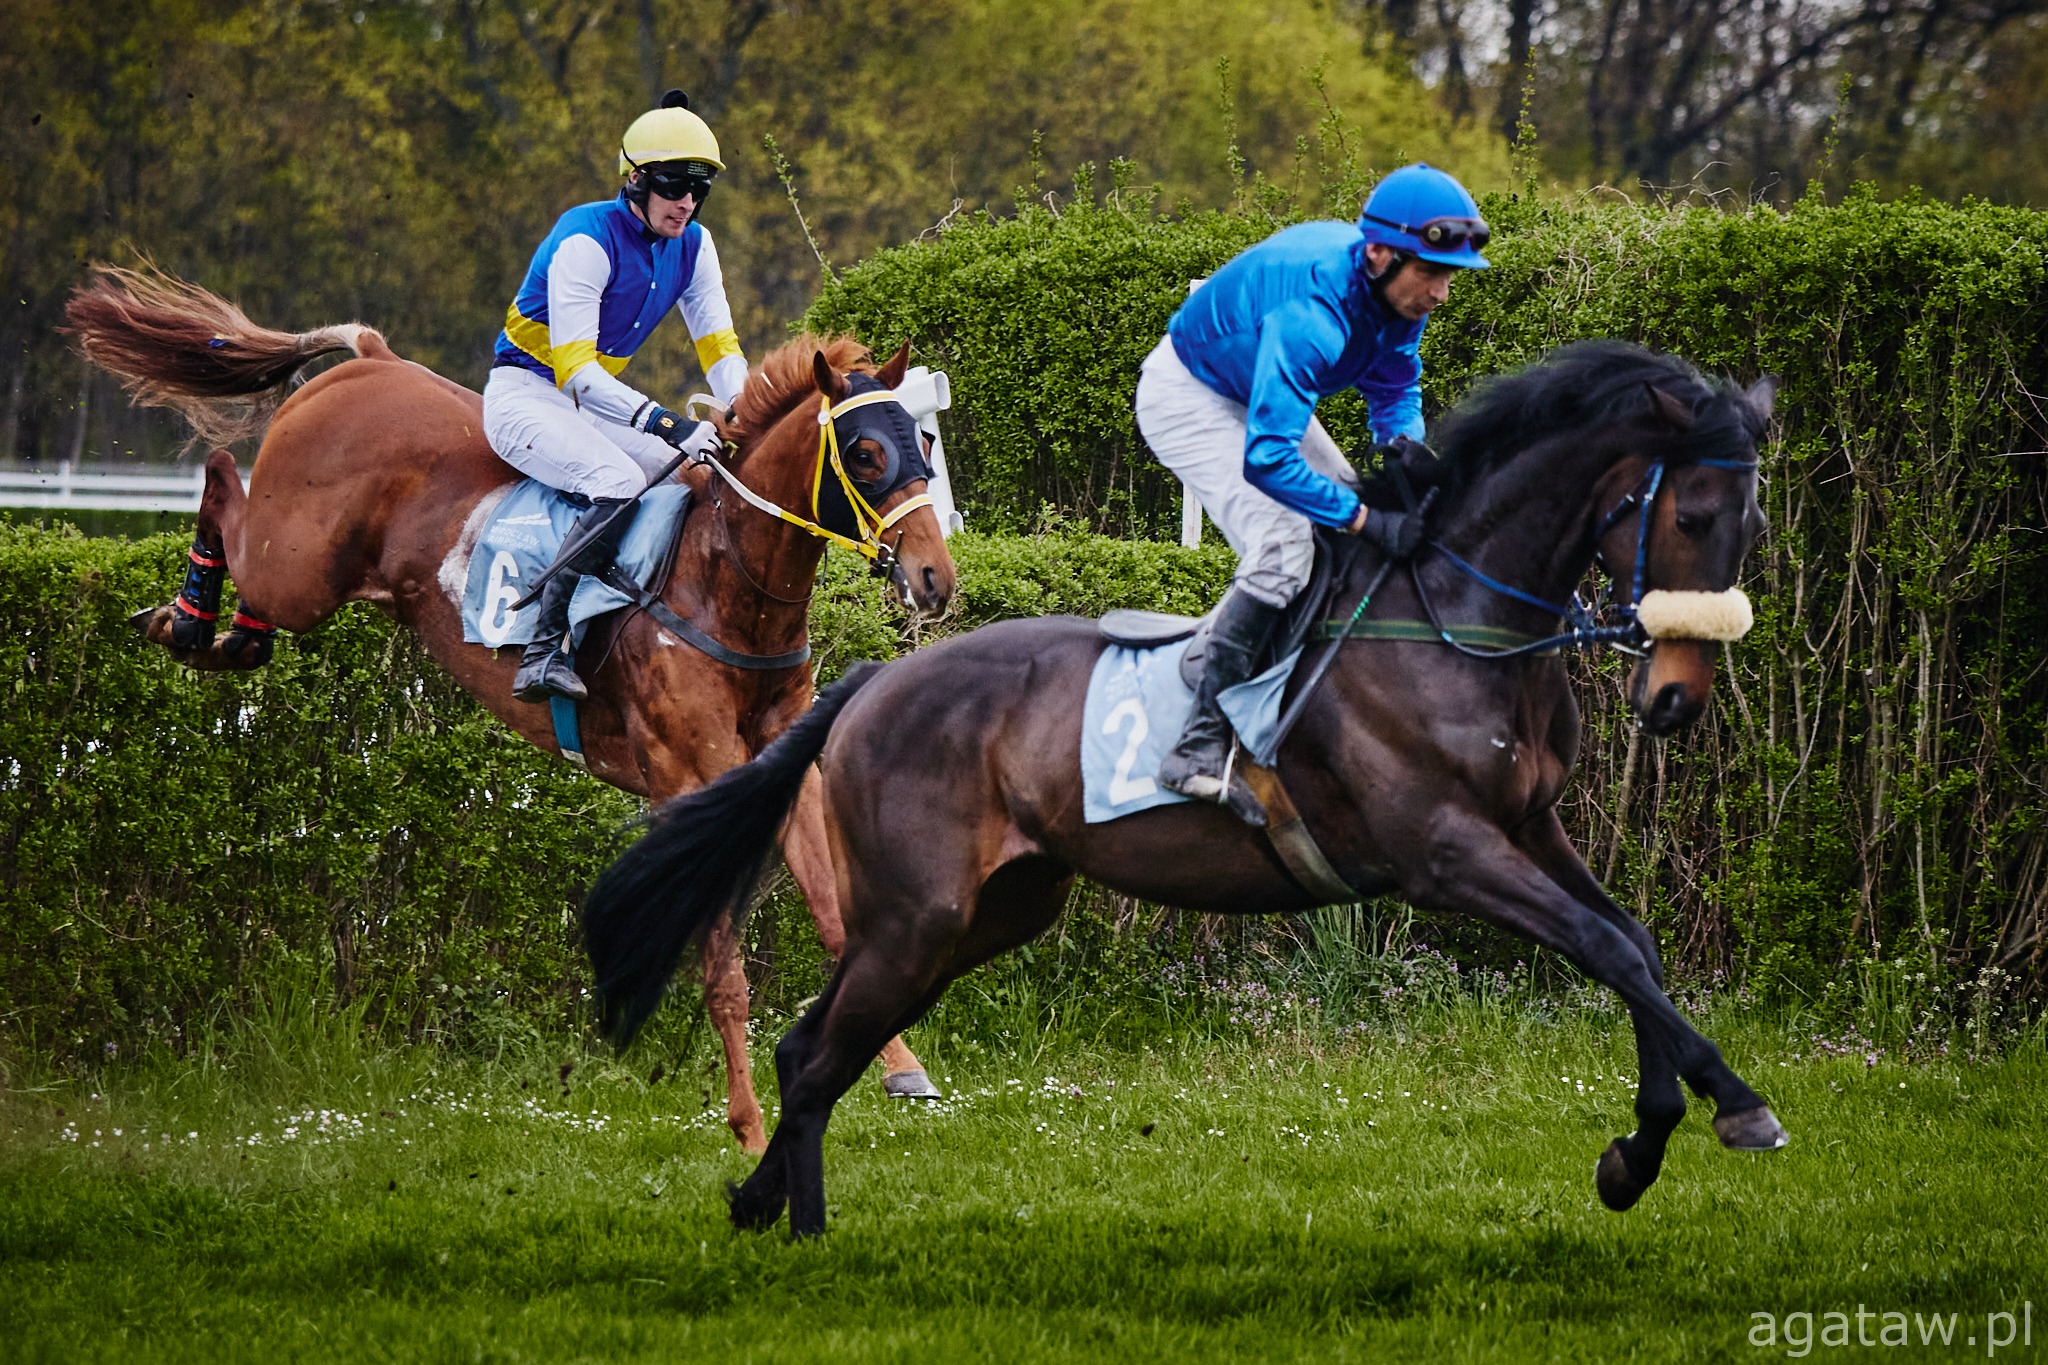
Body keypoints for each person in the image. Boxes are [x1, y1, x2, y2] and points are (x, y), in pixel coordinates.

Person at [1136, 162, 1490, 814]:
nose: (1441, 292)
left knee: (1353, 498)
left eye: (1449, 276)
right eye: (1432, 273)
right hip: (1187, 394)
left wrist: (1404, 450)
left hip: (1256, 386)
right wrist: (1365, 519)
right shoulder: (1314, 316)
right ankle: (1197, 744)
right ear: (1381, 255)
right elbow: (1268, 460)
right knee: (1287, 542)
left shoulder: (1393, 296)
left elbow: (1395, 384)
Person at [483, 89, 750, 703]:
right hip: (525, 395)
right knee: (619, 482)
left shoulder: (695, 245)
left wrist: (749, 415)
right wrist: (664, 422)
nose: (686, 204)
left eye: (698, 189)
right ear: (634, 181)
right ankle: (542, 650)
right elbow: (575, 372)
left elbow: (719, 350)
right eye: (674, 186)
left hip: (588, 408)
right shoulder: (585, 239)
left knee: (691, 478)